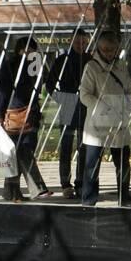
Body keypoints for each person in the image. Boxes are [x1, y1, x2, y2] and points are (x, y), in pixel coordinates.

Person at [79, 29, 131, 207]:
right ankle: (89, 201)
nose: (108, 53)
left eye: (111, 49)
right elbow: (84, 95)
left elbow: (128, 90)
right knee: (92, 166)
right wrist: (101, 107)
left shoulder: (121, 65)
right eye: (104, 49)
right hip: (97, 123)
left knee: (123, 163)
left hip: (119, 121)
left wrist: (127, 108)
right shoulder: (92, 67)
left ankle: (124, 199)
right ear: (99, 48)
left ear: (117, 49)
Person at [0, 36, 51, 202]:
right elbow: (1, 90)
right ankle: (37, 188)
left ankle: (11, 192)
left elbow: (38, 88)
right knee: (21, 151)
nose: (28, 53)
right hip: (14, 113)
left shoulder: (35, 66)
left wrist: (36, 67)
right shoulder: (10, 65)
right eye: (25, 50)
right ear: (18, 50)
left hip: (30, 113)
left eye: (32, 50)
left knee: (18, 153)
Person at [46, 28, 89, 198]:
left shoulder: (89, 59)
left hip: (85, 105)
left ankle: (80, 183)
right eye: (77, 42)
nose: (80, 45)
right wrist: (61, 99)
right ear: (71, 41)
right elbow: (49, 84)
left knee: (83, 146)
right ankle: (66, 184)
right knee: (66, 145)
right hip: (68, 103)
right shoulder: (62, 60)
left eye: (83, 42)